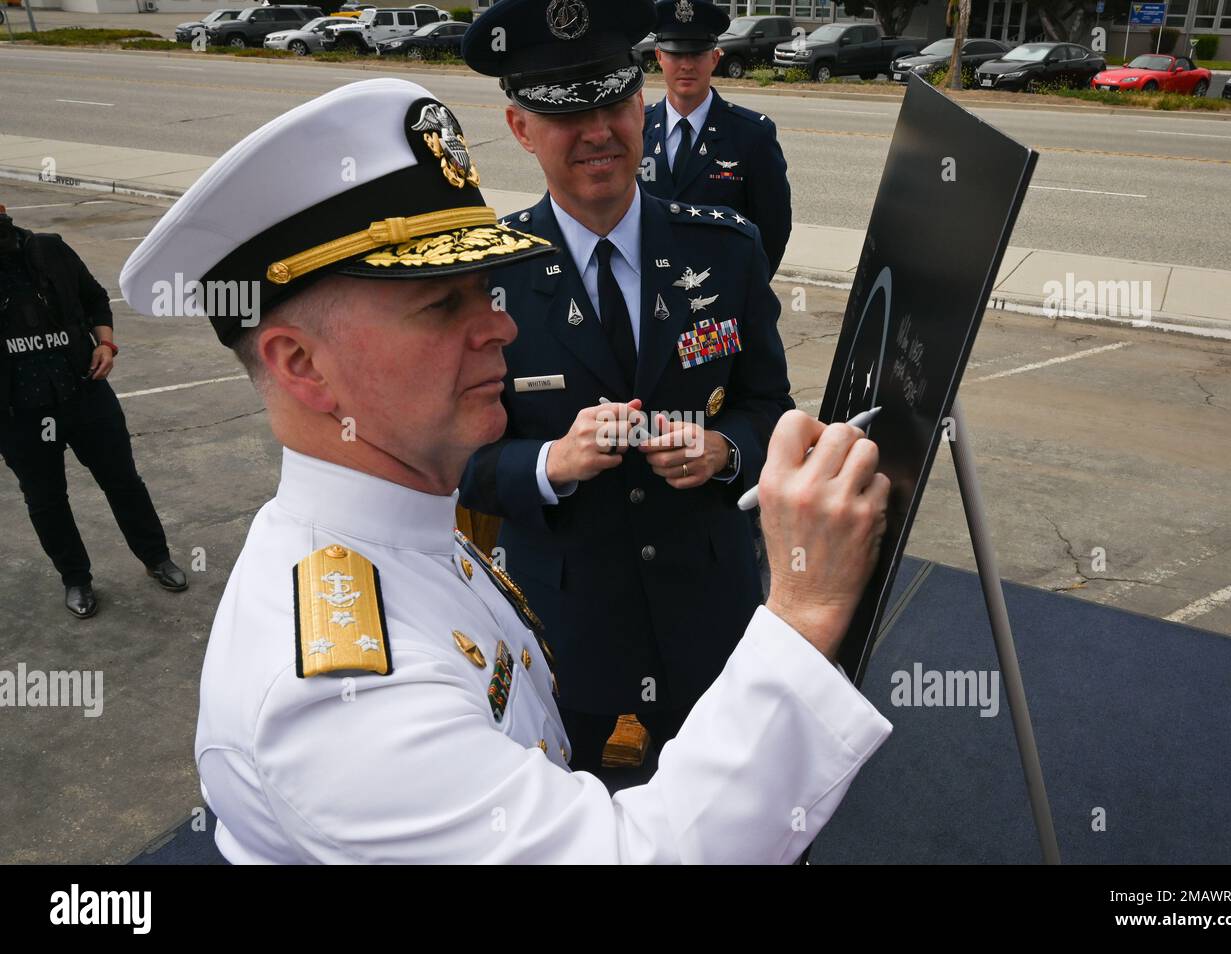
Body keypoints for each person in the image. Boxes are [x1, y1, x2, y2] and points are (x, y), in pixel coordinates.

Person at [118, 77, 894, 863]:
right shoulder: (334, 699)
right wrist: (806, 609)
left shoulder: (403, 527)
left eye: (484, 292)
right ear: (304, 366)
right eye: (443, 307)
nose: (503, 325)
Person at [459, 0, 793, 775]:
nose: (597, 132)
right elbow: (459, 464)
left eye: (612, 103)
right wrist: (551, 464)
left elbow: (768, 406)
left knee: (732, 806)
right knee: (555, 815)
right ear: (520, 129)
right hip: (564, 616)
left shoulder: (725, 249)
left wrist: (726, 451)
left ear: (639, 104)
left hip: (705, 603)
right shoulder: (488, 279)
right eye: (564, 115)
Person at [0, 205, 187, 619]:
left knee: (123, 481)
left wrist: (106, 345)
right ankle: (76, 579)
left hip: (84, 393)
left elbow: (95, 298)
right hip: (20, 414)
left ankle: (156, 557)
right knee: (46, 500)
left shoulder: (49, 251)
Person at [640, 0, 793, 277]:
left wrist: (746, 290)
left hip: (722, 295)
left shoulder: (752, 135)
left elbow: (774, 227)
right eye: (676, 54)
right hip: (650, 294)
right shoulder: (636, 129)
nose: (686, 65)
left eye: (697, 54)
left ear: (715, 58)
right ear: (659, 57)